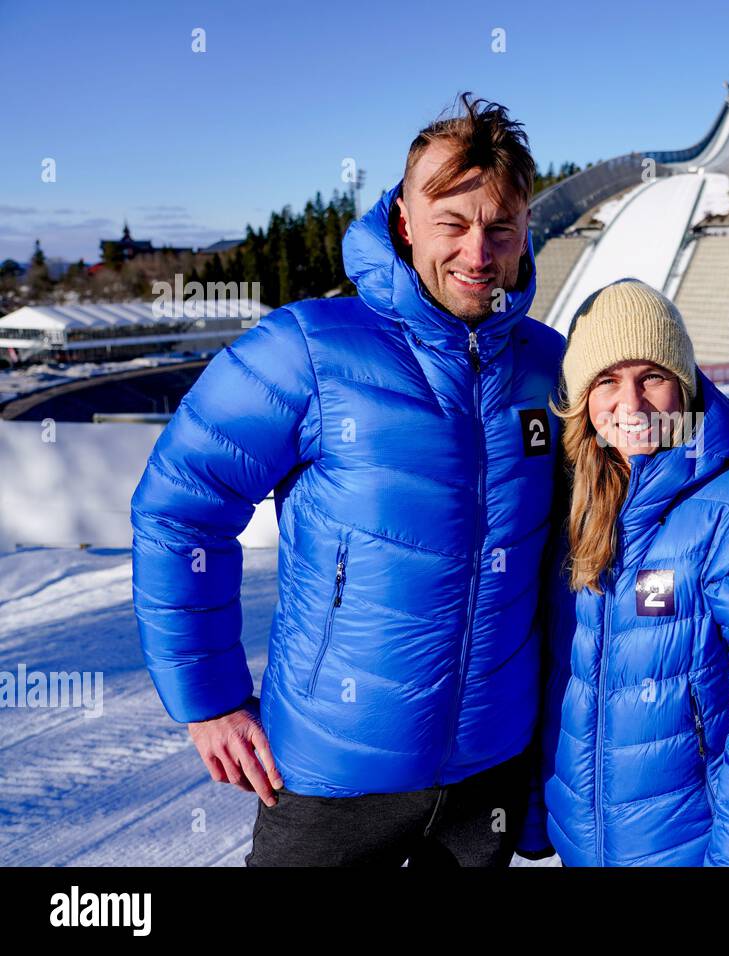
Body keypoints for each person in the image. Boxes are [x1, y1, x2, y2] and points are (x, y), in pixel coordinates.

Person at [130, 93, 566, 866]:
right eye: (453, 224)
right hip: (334, 772)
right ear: (404, 220)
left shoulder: (549, 364)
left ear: (526, 228)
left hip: (488, 772)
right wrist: (211, 701)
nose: (478, 252)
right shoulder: (307, 349)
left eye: (500, 228)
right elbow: (180, 509)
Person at [520, 279, 729, 866]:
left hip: (688, 846)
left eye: (651, 377)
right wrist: (538, 814)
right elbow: (554, 677)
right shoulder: (571, 505)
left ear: (683, 389)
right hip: (583, 844)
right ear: (582, 398)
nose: (631, 405)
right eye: (607, 381)